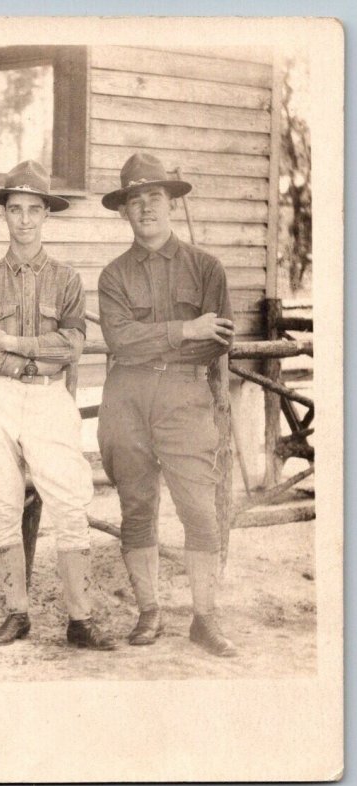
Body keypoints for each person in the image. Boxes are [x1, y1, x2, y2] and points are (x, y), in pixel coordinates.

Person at [0, 160, 114, 650]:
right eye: (15, 209)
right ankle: (17, 612)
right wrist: (29, 362)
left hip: (49, 398)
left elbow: (72, 346)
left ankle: (80, 620)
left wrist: (13, 344)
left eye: (33, 209)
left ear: (47, 214)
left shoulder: (66, 279)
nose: (24, 219)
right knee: (3, 501)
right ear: (4, 214)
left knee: (70, 501)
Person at [97, 153, 236, 656]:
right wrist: (184, 329)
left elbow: (217, 340)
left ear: (171, 203)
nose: (146, 208)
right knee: (136, 508)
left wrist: (162, 341)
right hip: (126, 401)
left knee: (199, 509)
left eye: (154, 197)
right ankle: (149, 612)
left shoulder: (206, 268)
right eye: (135, 200)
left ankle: (205, 618)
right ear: (124, 212)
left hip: (185, 398)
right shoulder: (113, 276)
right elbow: (119, 340)